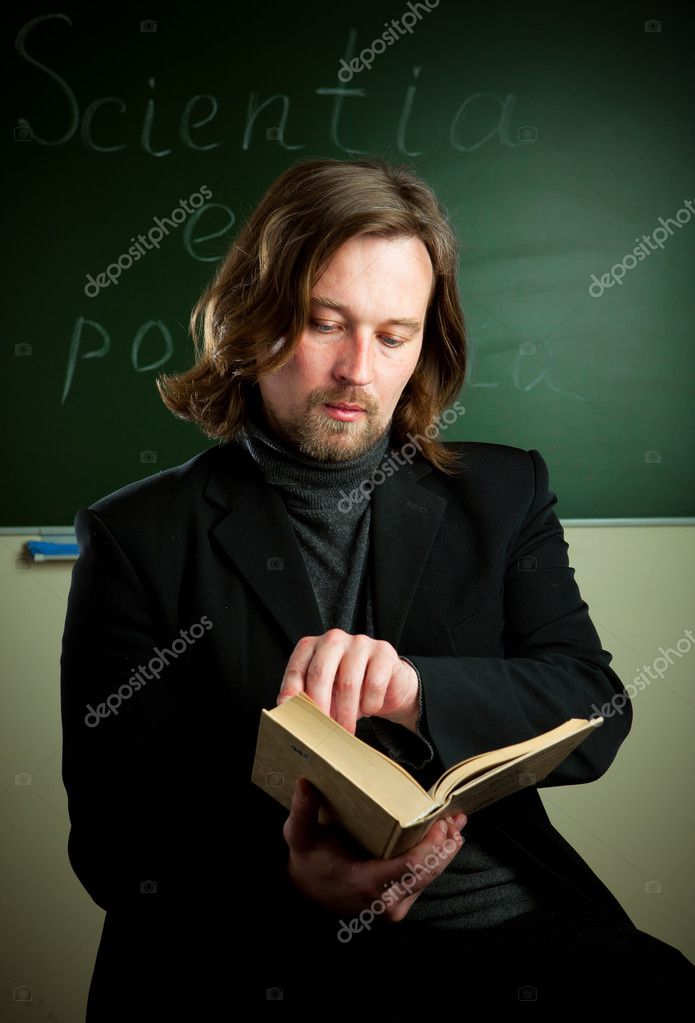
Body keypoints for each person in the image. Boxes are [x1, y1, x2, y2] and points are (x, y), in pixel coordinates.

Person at [60, 157, 694, 1020]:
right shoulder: (136, 535)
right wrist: (295, 875)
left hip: (502, 931)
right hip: (258, 950)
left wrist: (417, 689)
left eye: (394, 335)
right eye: (326, 324)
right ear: (256, 320)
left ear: (425, 344)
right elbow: (116, 842)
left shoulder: (503, 494)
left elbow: (595, 710)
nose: (359, 369)